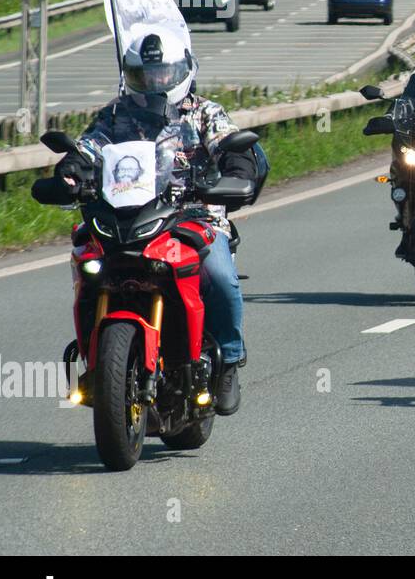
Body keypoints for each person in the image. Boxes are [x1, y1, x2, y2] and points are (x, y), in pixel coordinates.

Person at [50, 26, 259, 416]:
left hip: (193, 217)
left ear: (182, 72)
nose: (155, 83)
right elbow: (87, 148)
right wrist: (70, 174)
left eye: (163, 74)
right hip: (121, 216)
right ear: (132, 76)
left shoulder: (205, 113)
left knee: (220, 274)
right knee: (85, 260)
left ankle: (229, 360)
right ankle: (96, 362)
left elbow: (232, 148)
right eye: (145, 76)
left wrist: (237, 172)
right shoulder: (114, 115)